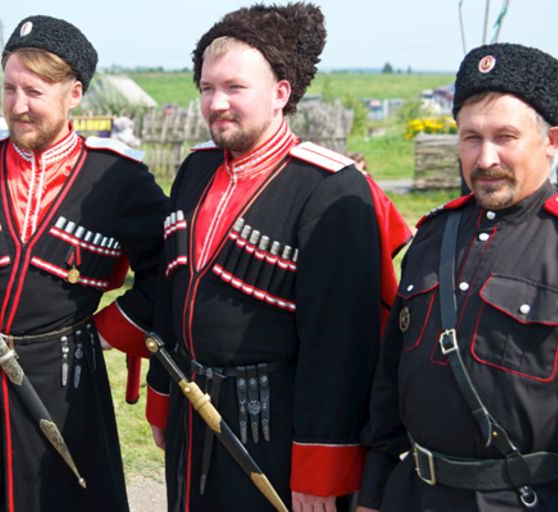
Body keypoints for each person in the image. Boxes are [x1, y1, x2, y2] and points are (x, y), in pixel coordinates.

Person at [357, 43, 558, 511]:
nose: (485, 158)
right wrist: (373, 494)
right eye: (471, 138)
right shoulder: (433, 237)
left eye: (505, 137)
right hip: (412, 495)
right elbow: (389, 386)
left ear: (552, 140)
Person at [145, 4, 412, 511]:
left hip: (275, 428)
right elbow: (170, 293)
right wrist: (163, 398)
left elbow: (342, 349)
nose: (216, 103)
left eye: (234, 88)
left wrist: (321, 464)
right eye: (206, 88)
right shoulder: (195, 171)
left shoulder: (329, 189)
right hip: (191, 411)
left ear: (280, 93)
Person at [0, 15, 168, 512]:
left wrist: (108, 330)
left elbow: (169, 271)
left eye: (35, 92)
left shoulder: (117, 178)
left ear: (74, 94)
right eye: (9, 88)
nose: (17, 107)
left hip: (66, 388)